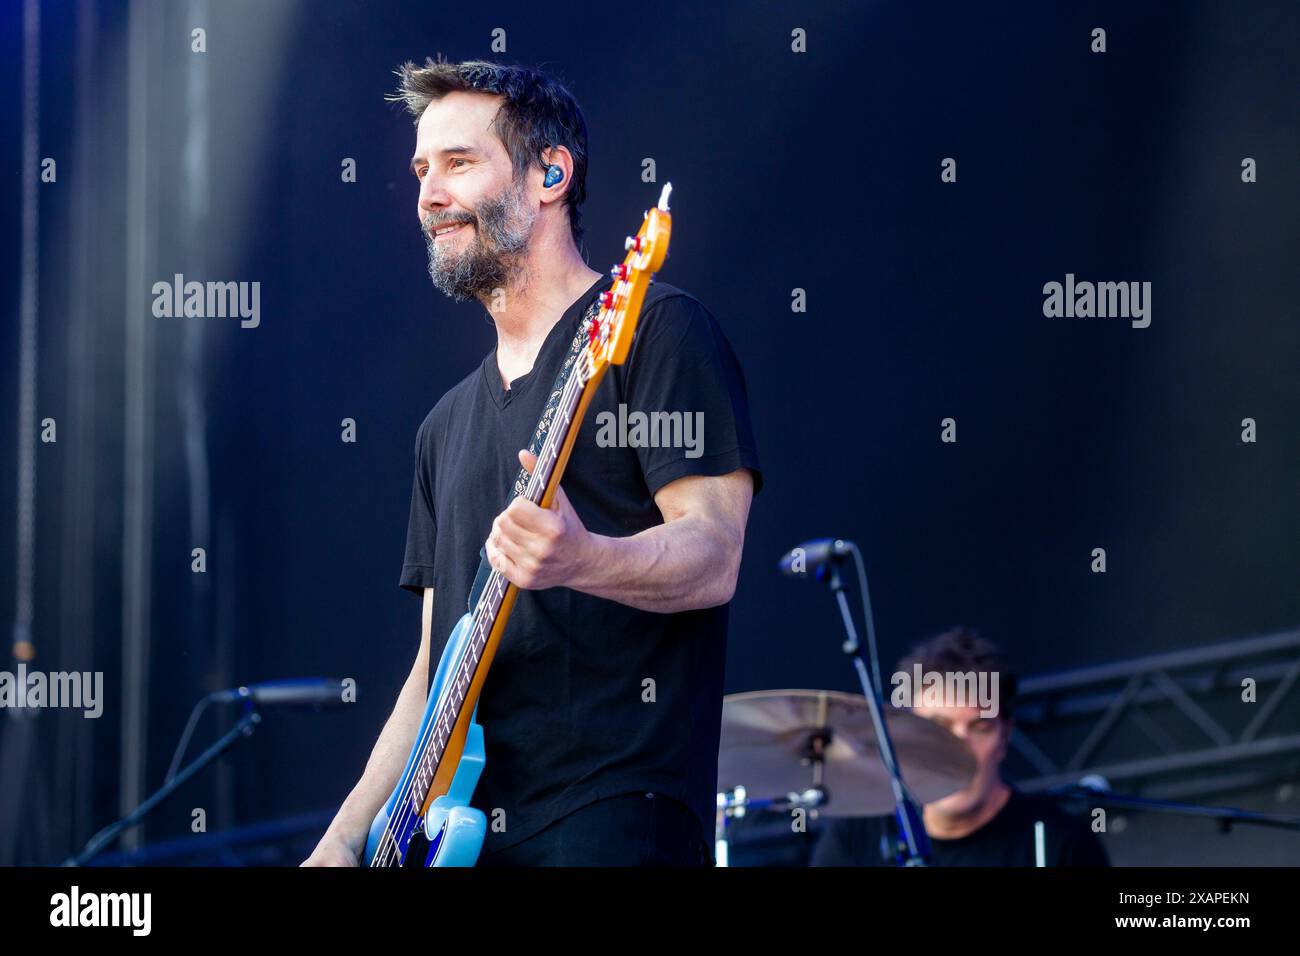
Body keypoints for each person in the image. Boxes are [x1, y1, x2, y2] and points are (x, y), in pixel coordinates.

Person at [303, 58, 762, 867]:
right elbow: (429, 675)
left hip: (611, 817)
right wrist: (343, 839)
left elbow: (714, 554)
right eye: (421, 169)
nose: (428, 194)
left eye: (459, 162)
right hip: (464, 841)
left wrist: (585, 559)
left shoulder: (657, 331)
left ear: (551, 173)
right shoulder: (442, 429)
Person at [810, 628, 1109, 866]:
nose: (958, 747)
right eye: (938, 727)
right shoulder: (857, 836)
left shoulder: (1060, 843)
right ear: (906, 737)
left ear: (1004, 737)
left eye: (979, 728)